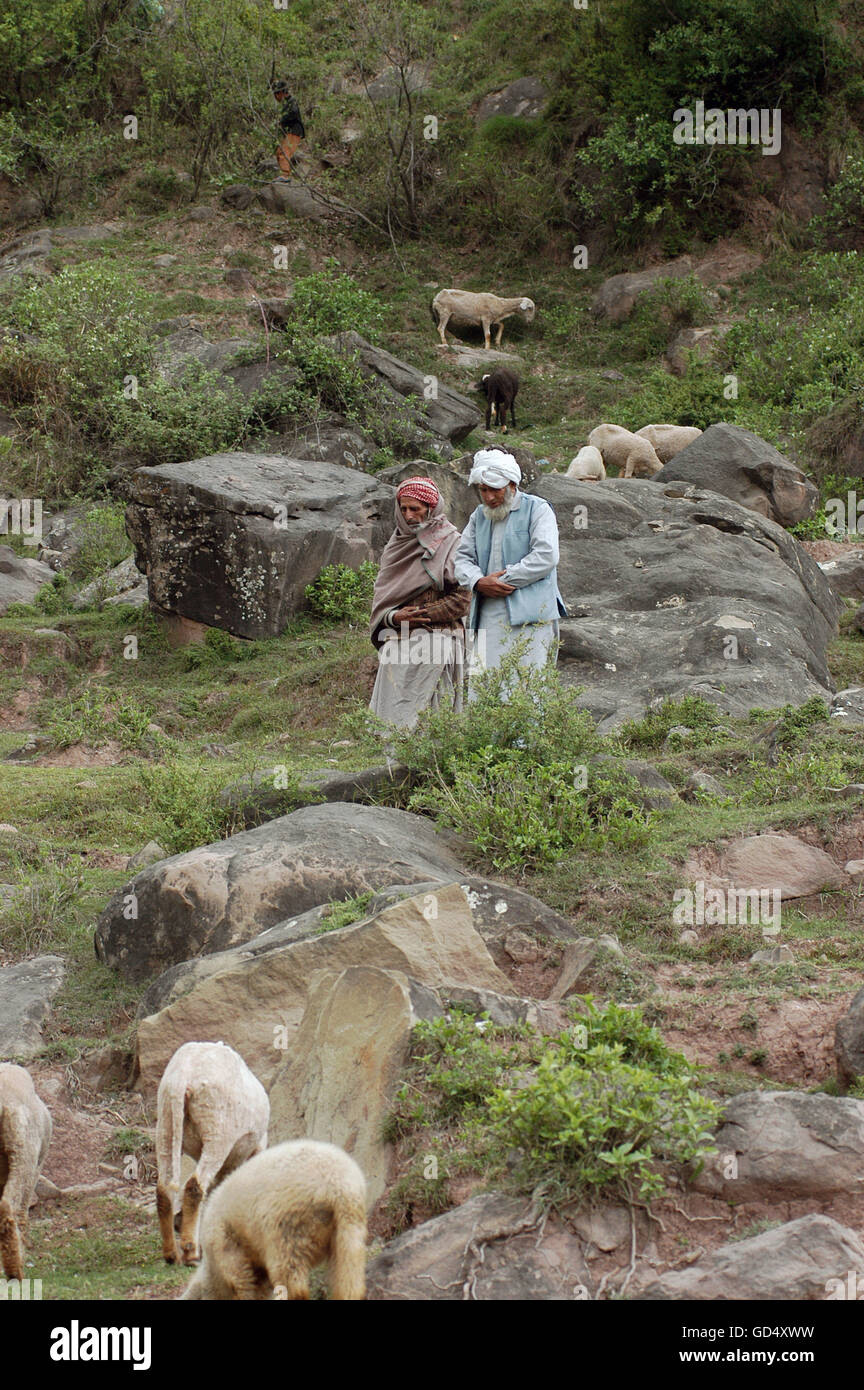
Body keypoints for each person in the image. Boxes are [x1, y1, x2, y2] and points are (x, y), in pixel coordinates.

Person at [454, 448, 567, 698]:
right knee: (484, 688)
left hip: (530, 617)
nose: (490, 497)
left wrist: (503, 580)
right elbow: (461, 559)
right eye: (484, 490)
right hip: (487, 614)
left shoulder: (537, 509)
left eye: (496, 489)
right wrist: (479, 581)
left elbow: (546, 556)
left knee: (525, 689)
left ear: (512, 484)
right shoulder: (478, 517)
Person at [369, 477, 470, 729]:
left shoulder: (452, 542)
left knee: (433, 714)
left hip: (441, 636)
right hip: (399, 637)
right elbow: (384, 602)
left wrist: (422, 614)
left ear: (431, 508)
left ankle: (432, 764)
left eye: (416, 508)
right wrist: (396, 618)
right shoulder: (395, 547)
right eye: (403, 508)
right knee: (393, 720)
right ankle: (396, 764)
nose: (409, 515)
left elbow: (462, 599)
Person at [271, 80, 306, 180]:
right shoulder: (287, 102)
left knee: (283, 153)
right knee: (279, 152)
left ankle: (285, 175)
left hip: (294, 131)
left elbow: (294, 112)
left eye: (276, 95)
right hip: (290, 132)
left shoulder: (291, 101)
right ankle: (284, 173)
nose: (276, 98)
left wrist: (282, 119)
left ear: (281, 93)